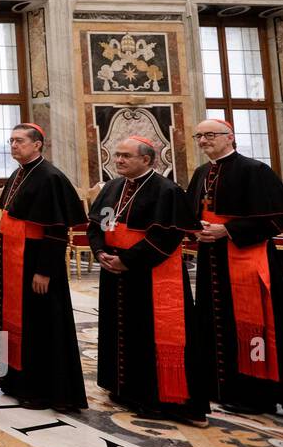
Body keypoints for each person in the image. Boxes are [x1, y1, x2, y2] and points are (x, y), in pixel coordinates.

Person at [187, 119, 283, 414]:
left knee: (252, 327)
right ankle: (219, 386)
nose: (203, 140)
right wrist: (196, 229)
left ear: (230, 137)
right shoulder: (202, 173)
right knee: (214, 321)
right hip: (212, 262)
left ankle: (254, 394)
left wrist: (228, 231)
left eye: (210, 135)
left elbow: (278, 218)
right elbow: (189, 214)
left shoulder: (255, 170)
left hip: (249, 262)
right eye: (199, 136)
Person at [88, 137, 206, 423]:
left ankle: (155, 397)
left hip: (149, 274)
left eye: (126, 156)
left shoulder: (166, 191)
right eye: (116, 156)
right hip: (114, 271)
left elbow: (165, 236)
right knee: (121, 331)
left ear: (147, 160)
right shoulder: (113, 188)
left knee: (147, 334)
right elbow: (100, 225)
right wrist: (101, 251)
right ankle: (123, 387)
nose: (119, 161)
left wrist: (126, 260)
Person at [0, 123, 88, 411]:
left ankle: (42, 390)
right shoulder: (18, 174)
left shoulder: (50, 177)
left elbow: (57, 230)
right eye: (11, 141)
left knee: (40, 327)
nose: (13, 146)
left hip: (35, 262)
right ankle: (14, 380)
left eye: (19, 141)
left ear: (37, 144)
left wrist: (45, 270)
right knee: (12, 321)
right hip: (13, 259)